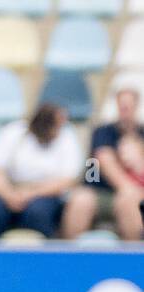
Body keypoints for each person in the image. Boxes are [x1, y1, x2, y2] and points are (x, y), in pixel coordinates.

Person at [0, 103, 81, 239]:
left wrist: (30, 194)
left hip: (46, 193)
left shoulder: (67, 136)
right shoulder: (14, 132)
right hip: (11, 189)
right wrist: (8, 194)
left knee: (37, 213)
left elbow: (67, 180)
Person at [61, 88, 144, 242]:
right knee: (80, 200)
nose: (124, 111)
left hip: (136, 192)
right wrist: (127, 187)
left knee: (128, 200)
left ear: (136, 106)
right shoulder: (103, 132)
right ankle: (69, 257)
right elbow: (104, 160)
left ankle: (135, 259)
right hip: (102, 192)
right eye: (121, 106)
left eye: (128, 107)